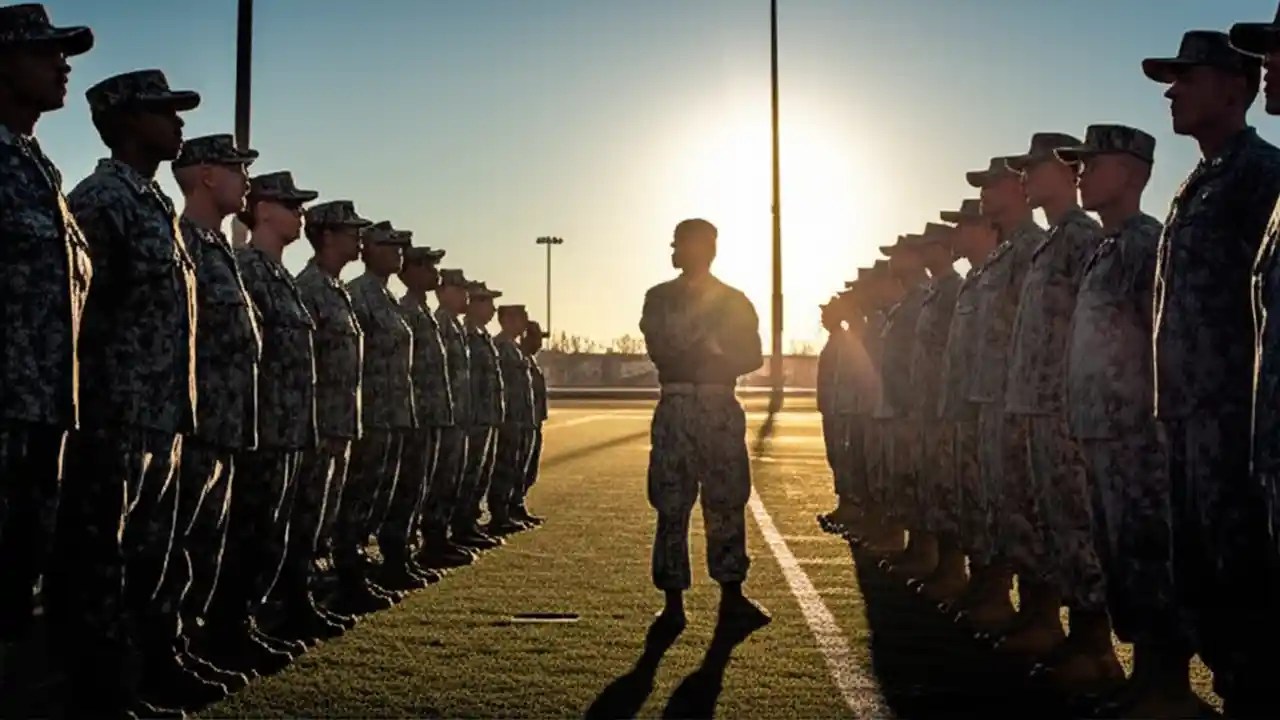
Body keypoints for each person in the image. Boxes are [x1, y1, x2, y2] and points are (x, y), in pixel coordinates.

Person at [52, 68, 199, 717]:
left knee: (147, 562)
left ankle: (137, 682)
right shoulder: (102, 199)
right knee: (99, 570)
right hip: (113, 418)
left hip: (158, 418)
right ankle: (99, 698)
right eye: (164, 111)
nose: (178, 122)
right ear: (129, 121)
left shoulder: (154, 205)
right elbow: (75, 310)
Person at [1144, 29, 1280, 715]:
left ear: (1236, 88)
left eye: (1188, 77)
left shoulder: (1261, 174)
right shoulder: (1199, 181)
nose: (1173, 91)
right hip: (1190, 417)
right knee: (1200, 580)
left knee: (1245, 584)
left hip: (1235, 422)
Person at [1056, 125, 1193, 716]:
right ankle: (1142, 678)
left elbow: (1166, 343)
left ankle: (1167, 685)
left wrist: (1155, 432)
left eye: (1095, 162)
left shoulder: (1144, 244)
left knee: (1146, 557)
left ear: (1134, 173)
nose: (1082, 172)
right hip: (1100, 434)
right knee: (1117, 560)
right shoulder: (1106, 248)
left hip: (1136, 437)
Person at [0, 2, 92, 696]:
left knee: (18, 582)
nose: (62, 64)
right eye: (45, 51)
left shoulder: (40, 169)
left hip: (43, 411)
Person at [1003, 132, 1113, 678]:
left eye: (1035, 166)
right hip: (1036, 406)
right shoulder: (1051, 242)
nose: (1025, 174)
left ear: (1067, 172)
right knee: (1046, 522)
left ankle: (1095, 647)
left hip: (1065, 408)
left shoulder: (1080, 237)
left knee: (1075, 524)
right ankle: (1052, 627)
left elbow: (1098, 325)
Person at [160, 133, 262, 707]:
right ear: (204, 176)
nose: (245, 178)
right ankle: (162, 656)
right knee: (173, 547)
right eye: (235, 167)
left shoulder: (217, 248)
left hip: (226, 423)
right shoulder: (186, 243)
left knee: (205, 547)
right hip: (194, 422)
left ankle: (190, 647)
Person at [234, 172, 351, 648]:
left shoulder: (282, 277)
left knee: (280, 533)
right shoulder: (250, 269)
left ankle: (264, 618)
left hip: (296, 427)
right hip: (263, 429)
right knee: (252, 534)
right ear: (263, 210)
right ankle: (234, 628)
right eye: (290, 205)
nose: (299, 214)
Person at [638, 218, 769, 630]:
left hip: (716, 405)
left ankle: (732, 593)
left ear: (704, 249)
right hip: (678, 404)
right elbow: (659, 348)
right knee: (671, 502)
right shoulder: (659, 298)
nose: (674, 251)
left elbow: (752, 355)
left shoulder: (734, 300)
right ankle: (673, 600)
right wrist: (708, 350)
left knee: (726, 498)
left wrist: (713, 355)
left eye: (680, 244)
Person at [295, 201, 390, 616]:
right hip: (319, 423)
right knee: (308, 517)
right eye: (350, 232)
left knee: (329, 515)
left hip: (342, 423)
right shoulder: (311, 288)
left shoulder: (336, 290)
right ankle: (299, 600)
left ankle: (325, 591)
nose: (358, 239)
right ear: (328, 236)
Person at [963, 155, 1044, 641]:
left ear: (1018, 188)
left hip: (1021, 402)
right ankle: (1007, 604)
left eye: (992, 186)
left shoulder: (1032, 246)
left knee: (1028, 511)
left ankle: (1044, 621)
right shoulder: (1007, 252)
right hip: (992, 398)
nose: (983, 197)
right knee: (998, 506)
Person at [930, 199, 1000, 614]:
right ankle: (976, 584)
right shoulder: (975, 280)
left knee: (1000, 507)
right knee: (965, 499)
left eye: (963, 226)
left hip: (999, 407)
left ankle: (1009, 602)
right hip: (963, 408)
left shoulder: (980, 277)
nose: (955, 235)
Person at [346, 221, 417, 591]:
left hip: (392, 414)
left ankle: (368, 569)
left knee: (379, 497)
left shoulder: (387, 298)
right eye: (388, 245)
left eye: (399, 246)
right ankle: (349, 575)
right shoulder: (359, 294)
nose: (397, 251)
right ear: (368, 250)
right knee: (359, 499)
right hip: (371, 414)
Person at [387, 243, 451, 586]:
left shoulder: (422, 311)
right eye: (426, 265)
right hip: (413, 414)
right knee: (407, 487)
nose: (433, 272)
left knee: (421, 487)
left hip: (429, 414)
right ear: (408, 272)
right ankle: (397, 556)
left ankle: (409, 553)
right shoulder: (407, 310)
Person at [907, 223, 964, 597]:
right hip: (927, 405)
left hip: (946, 406)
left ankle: (953, 570)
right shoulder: (934, 292)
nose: (924, 254)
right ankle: (940, 564)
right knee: (931, 487)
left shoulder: (951, 290)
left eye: (930, 248)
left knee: (948, 489)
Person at [870, 233, 932, 580]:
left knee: (920, 483)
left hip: (915, 407)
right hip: (898, 405)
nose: (893, 261)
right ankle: (914, 548)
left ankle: (926, 554)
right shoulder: (907, 303)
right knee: (904, 481)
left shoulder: (922, 299)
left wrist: (912, 405)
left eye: (899, 254)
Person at [417, 268, 477, 569]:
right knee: (439, 482)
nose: (465, 295)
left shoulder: (452, 324)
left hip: (456, 415)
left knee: (451, 480)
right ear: (444, 292)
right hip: (443, 416)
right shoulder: (440, 322)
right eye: (459, 289)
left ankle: (441, 537)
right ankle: (432, 541)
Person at [458, 281, 506, 549]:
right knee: (468, 473)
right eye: (487, 301)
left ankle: (471, 522)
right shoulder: (467, 333)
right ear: (474, 303)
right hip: (472, 416)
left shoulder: (482, 335)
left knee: (480, 473)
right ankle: (462, 525)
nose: (492, 308)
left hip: (485, 416)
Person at [490, 304, 536, 534]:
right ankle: (500, 513)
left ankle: (512, 508)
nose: (524, 322)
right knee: (505, 466)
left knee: (518, 465)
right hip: (509, 417)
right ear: (507, 320)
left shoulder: (515, 348)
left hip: (521, 417)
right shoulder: (499, 346)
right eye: (520, 318)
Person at [515, 321, 548, 526]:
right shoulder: (518, 358)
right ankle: (510, 507)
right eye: (535, 338)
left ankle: (518, 505)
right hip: (522, 422)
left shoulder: (530, 361)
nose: (539, 343)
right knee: (516, 467)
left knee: (529, 469)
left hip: (534, 421)